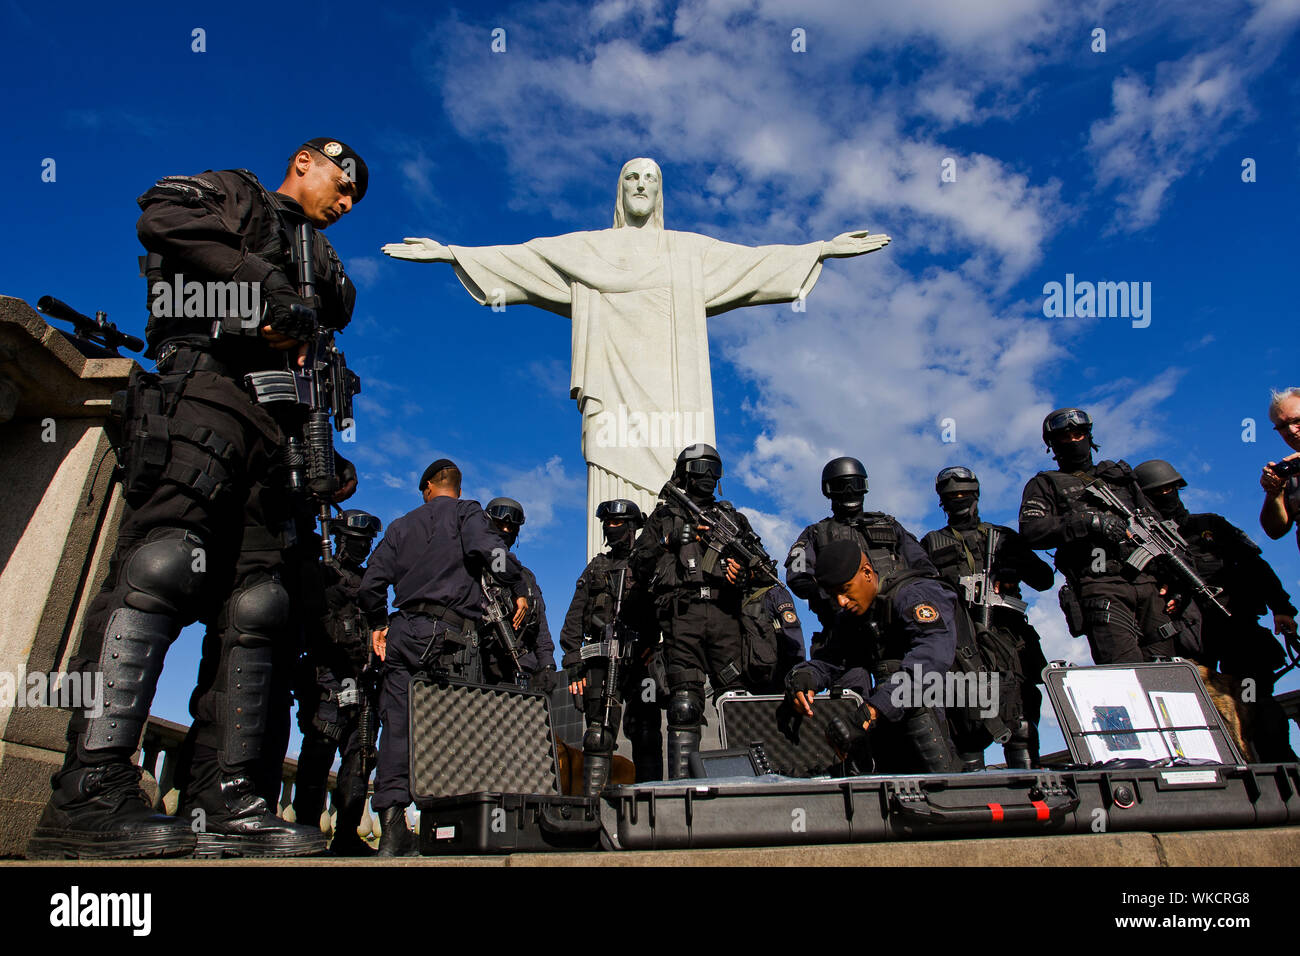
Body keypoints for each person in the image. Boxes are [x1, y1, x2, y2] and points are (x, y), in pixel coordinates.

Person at [27, 138, 367, 860]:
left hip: (276, 439)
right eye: (341, 185)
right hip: (206, 397)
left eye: (352, 202)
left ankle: (228, 798)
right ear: (305, 161)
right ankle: (89, 789)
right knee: (159, 569)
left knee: (258, 608)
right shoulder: (235, 194)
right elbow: (163, 218)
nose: (343, 205)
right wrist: (264, 291)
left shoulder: (322, 262)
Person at [382, 157, 892, 559]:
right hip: (615, 399)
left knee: (686, 482)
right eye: (631, 177)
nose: (641, 185)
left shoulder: (688, 251)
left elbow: (754, 261)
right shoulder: (589, 249)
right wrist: (453, 253)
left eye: (651, 177)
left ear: (660, 190)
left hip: (676, 397)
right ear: (621, 191)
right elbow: (525, 258)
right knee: (617, 495)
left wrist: (818, 250)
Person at [358, 460, 526, 856]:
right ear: (454, 487)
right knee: (455, 733)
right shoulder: (467, 512)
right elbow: (490, 552)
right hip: (449, 636)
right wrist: (516, 582)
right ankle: (449, 831)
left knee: (396, 729)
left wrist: (378, 622)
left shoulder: (401, 526)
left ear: (428, 487)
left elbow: (371, 585)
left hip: (402, 634)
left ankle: (393, 831)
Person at [1136, 459, 1299, 761]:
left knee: (1257, 701)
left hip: (1237, 624)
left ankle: (1281, 767)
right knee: (1198, 707)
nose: (1168, 496)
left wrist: (1281, 608)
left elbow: (1256, 566)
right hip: (1191, 636)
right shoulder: (1145, 541)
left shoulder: (1209, 525)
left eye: (1172, 488)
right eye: (1159, 492)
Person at [630, 444, 771, 778]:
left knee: (738, 703)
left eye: (714, 470)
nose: (707, 476)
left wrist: (745, 572)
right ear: (684, 473)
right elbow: (637, 564)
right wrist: (670, 539)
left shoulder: (733, 519)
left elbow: (765, 571)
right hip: (683, 617)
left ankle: (754, 789)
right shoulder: (664, 517)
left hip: (725, 615)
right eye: (699, 469)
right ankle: (682, 794)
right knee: (684, 706)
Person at [1019, 408, 1183, 665]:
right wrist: (1087, 522)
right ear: (1052, 445)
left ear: (1089, 436)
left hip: (1149, 586)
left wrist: (1177, 583)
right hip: (1100, 585)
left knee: (1171, 674)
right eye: (1065, 437)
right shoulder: (1046, 484)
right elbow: (1031, 532)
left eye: (1079, 434)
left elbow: (1158, 529)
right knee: (1126, 673)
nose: (1074, 441)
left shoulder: (1120, 478)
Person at [785, 540, 962, 773]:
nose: (841, 602)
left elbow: (931, 659)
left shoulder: (915, 594)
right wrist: (805, 677)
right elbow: (831, 660)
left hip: (949, 718)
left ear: (867, 573)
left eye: (845, 590)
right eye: (833, 594)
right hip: (891, 726)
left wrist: (871, 711)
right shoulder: (851, 616)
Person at [921, 466, 1054, 768]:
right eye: (953, 496)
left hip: (1009, 642)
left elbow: (1044, 578)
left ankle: (1032, 794)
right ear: (942, 502)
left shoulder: (1004, 537)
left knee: (1020, 724)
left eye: (965, 495)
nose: (960, 501)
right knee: (968, 730)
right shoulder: (931, 543)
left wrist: (1013, 568)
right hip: (961, 646)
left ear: (976, 495)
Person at [292, 509, 382, 856]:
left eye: (365, 544)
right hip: (328, 678)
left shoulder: (369, 586)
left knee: (359, 760)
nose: (360, 549)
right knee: (318, 756)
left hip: (363, 682)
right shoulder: (319, 577)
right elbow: (309, 630)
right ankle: (306, 832)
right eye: (355, 542)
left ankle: (346, 833)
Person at [560, 499, 664, 791]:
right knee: (598, 736)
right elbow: (573, 621)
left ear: (632, 527)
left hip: (641, 666)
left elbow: (669, 609)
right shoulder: (596, 568)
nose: (611, 528)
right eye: (608, 523)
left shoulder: (650, 566)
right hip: (601, 664)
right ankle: (594, 811)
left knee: (646, 734)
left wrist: (657, 648)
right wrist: (573, 665)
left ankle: (650, 807)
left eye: (618, 523)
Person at [481, 497, 557, 691]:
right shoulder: (475, 570)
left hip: (522, 669)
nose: (506, 531)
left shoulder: (525, 578)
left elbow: (541, 628)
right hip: (482, 666)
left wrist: (547, 665)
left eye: (511, 527)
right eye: (500, 524)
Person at [1260, 386, 1300, 553]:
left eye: (1297, 420)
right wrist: (1275, 492)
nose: (1291, 430)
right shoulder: (1290, 471)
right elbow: (1274, 531)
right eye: (1283, 426)